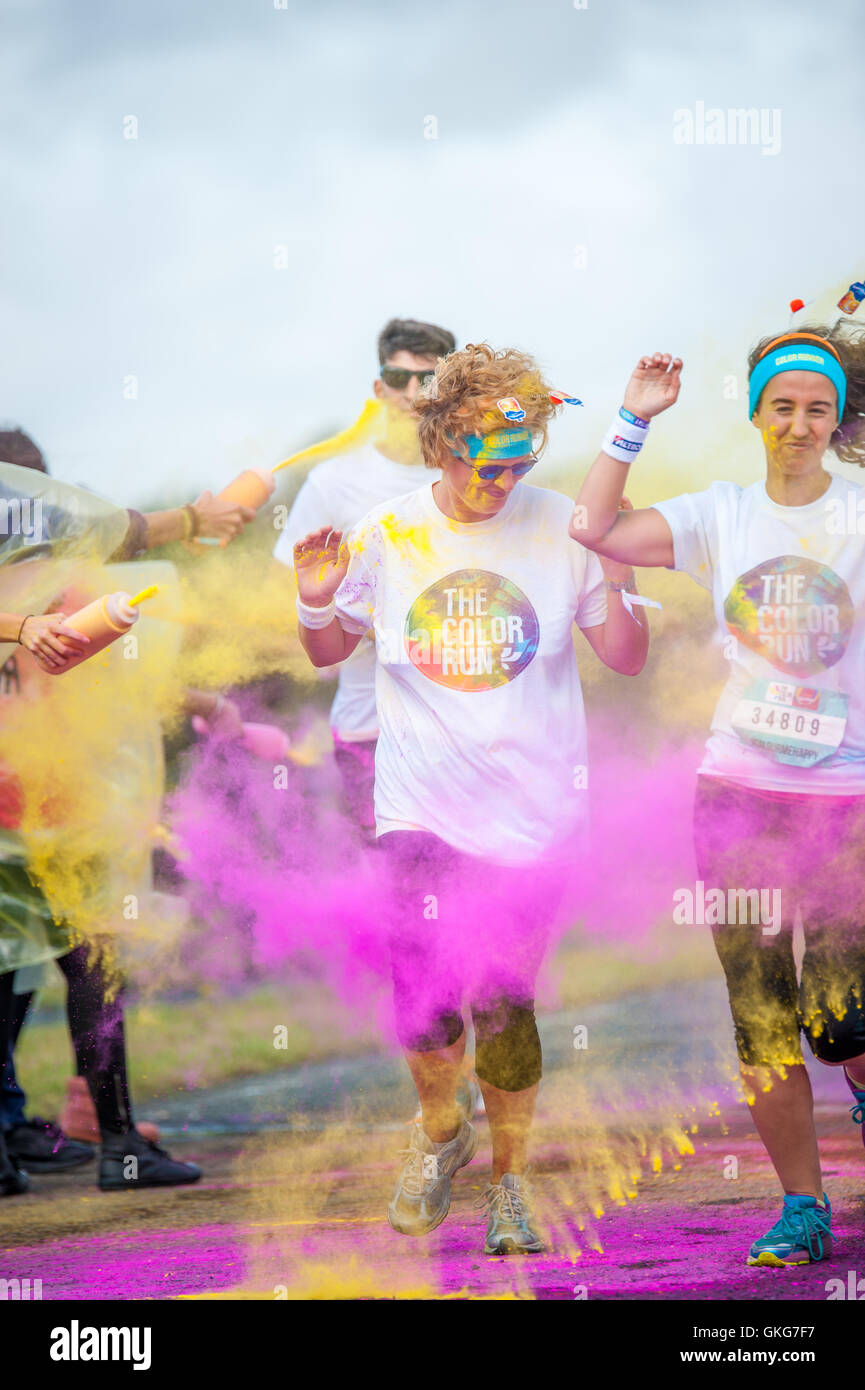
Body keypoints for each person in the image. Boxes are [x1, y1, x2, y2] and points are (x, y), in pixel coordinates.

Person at [293, 343, 650, 1254]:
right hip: (419, 807)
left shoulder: (566, 527)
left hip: (534, 820)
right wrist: (316, 603)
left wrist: (620, 582)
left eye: (521, 462)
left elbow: (623, 658)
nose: (505, 480)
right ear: (443, 441)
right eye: (488, 463)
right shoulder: (387, 532)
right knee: (424, 1000)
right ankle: (439, 1133)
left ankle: (511, 1186)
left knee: (504, 1004)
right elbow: (330, 654)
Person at [572, 330, 865, 1267]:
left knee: (839, 1016)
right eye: (780, 406)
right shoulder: (720, 514)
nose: (796, 424)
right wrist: (631, 423)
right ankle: (800, 1209)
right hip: (737, 793)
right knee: (761, 1011)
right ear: (754, 415)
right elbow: (594, 530)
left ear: (836, 421)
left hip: (847, 799)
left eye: (815, 408)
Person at [0, 430, 255, 1193]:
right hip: (67, 798)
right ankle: (118, 1143)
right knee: (92, 964)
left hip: (15, 802)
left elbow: (137, 530)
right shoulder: (68, 577)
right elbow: (131, 547)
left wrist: (196, 516)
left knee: (12, 969)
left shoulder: (69, 567)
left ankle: (11, 1149)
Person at [273, 318, 455, 843]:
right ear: (379, 388)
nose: (412, 393)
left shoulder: (471, 476)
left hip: (462, 723)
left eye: (429, 379)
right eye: (398, 378)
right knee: (391, 893)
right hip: (368, 727)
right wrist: (356, 618)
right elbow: (284, 595)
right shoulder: (333, 481)